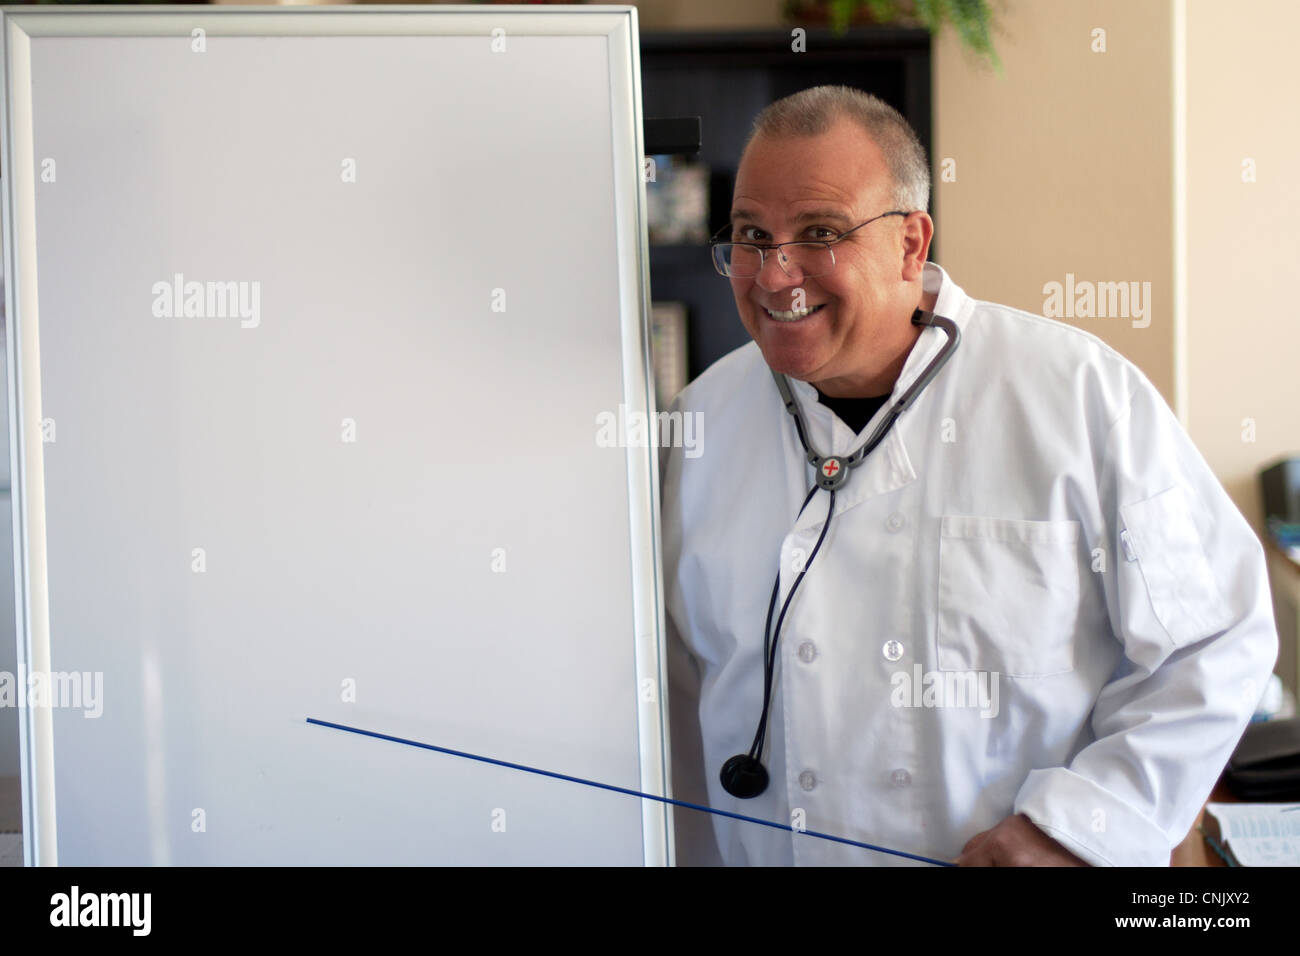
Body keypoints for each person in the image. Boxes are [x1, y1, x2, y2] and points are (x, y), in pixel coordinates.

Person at [658, 85, 1279, 867]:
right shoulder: (699, 426)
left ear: (911, 243)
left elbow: (1215, 638)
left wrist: (1081, 830)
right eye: (752, 235)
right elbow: (675, 700)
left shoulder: (1080, 398)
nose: (776, 275)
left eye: (819, 233)